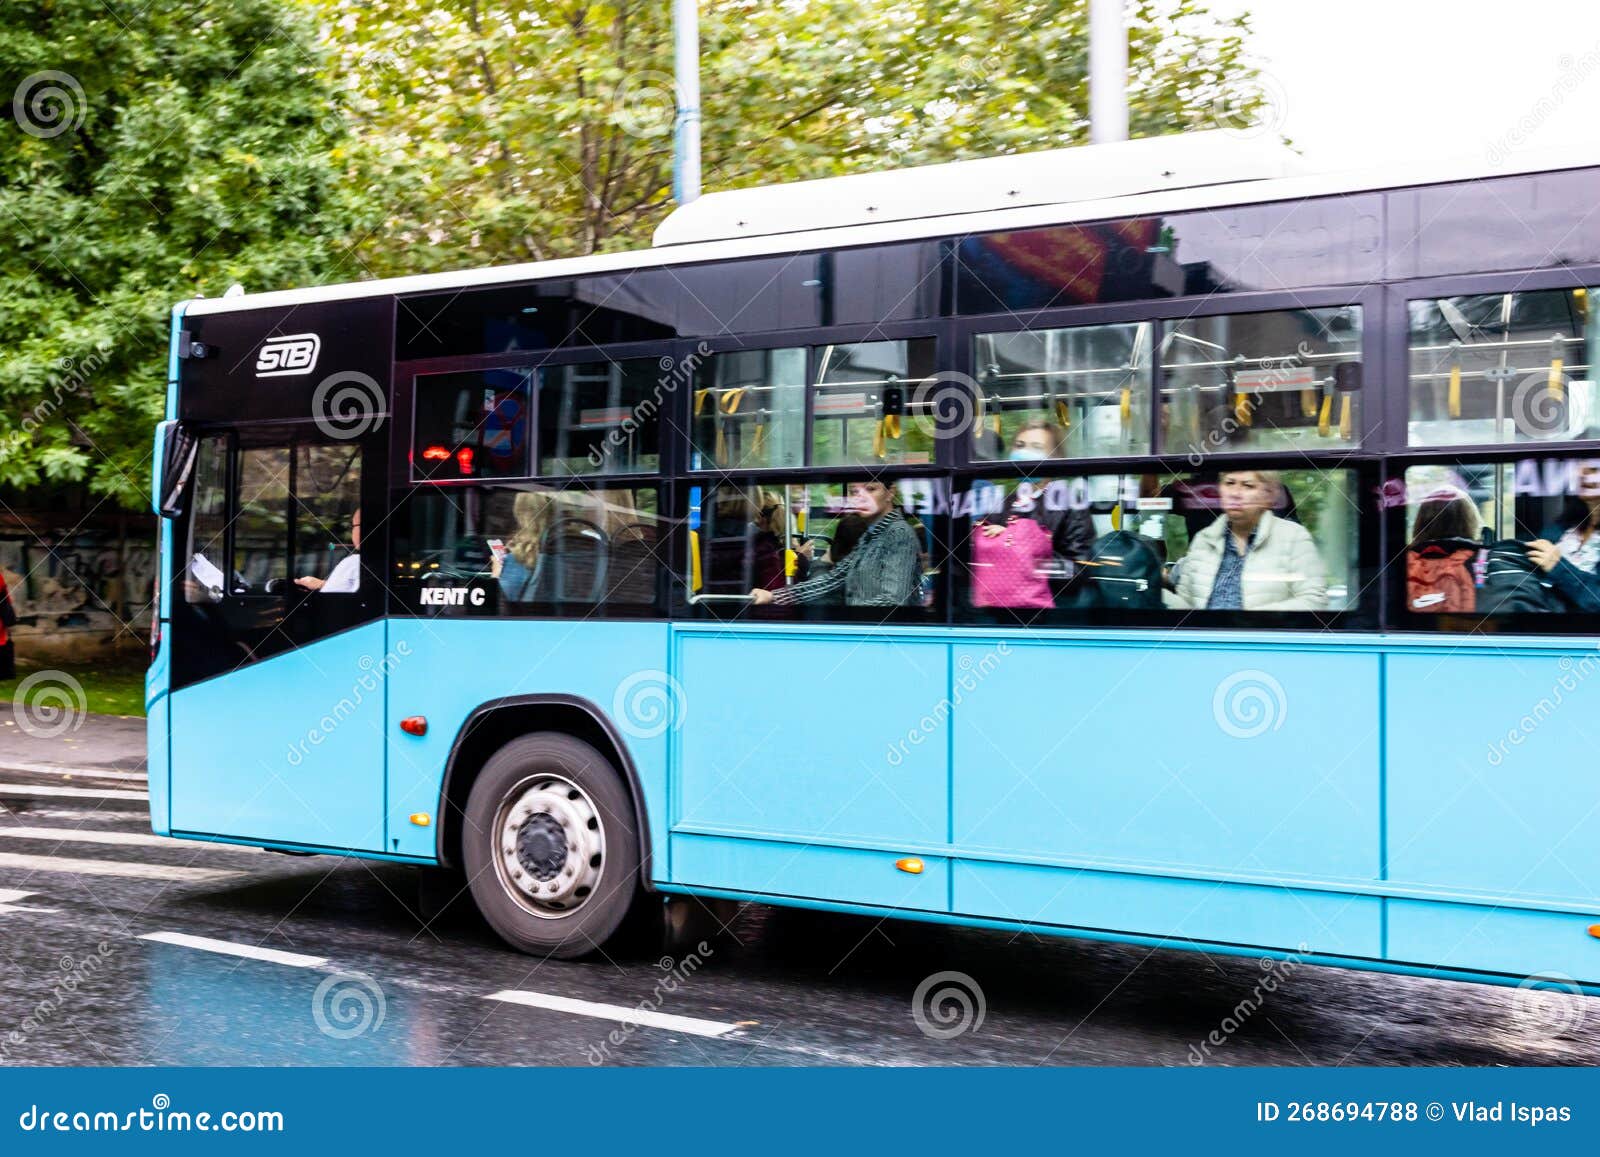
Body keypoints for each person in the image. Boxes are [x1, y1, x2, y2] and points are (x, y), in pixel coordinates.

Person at [1164, 470, 1327, 611]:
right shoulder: (1203, 540)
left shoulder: (1294, 537)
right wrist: (1155, 592)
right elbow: (1185, 607)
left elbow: (1314, 600)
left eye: (1248, 486)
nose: (1235, 493)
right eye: (1229, 483)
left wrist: (1249, 621)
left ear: (1269, 495)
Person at [749, 480, 920, 607]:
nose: (861, 498)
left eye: (871, 489)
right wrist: (774, 596)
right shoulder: (872, 535)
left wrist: (850, 621)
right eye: (854, 492)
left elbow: (894, 600)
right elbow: (833, 579)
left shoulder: (898, 533)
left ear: (890, 492)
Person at [980, 420, 1095, 604]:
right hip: (999, 609)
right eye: (1020, 446)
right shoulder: (1003, 503)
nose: (1024, 453)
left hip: (1051, 613)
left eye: (1036, 447)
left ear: (1054, 457)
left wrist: (1022, 546)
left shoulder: (1070, 505)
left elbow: (1077, 571)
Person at [296, 509, 361, 592]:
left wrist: (323, 586)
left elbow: (330, 599)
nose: (352, 531)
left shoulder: (354, 562)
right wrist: (323, 584)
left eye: (353, 526)